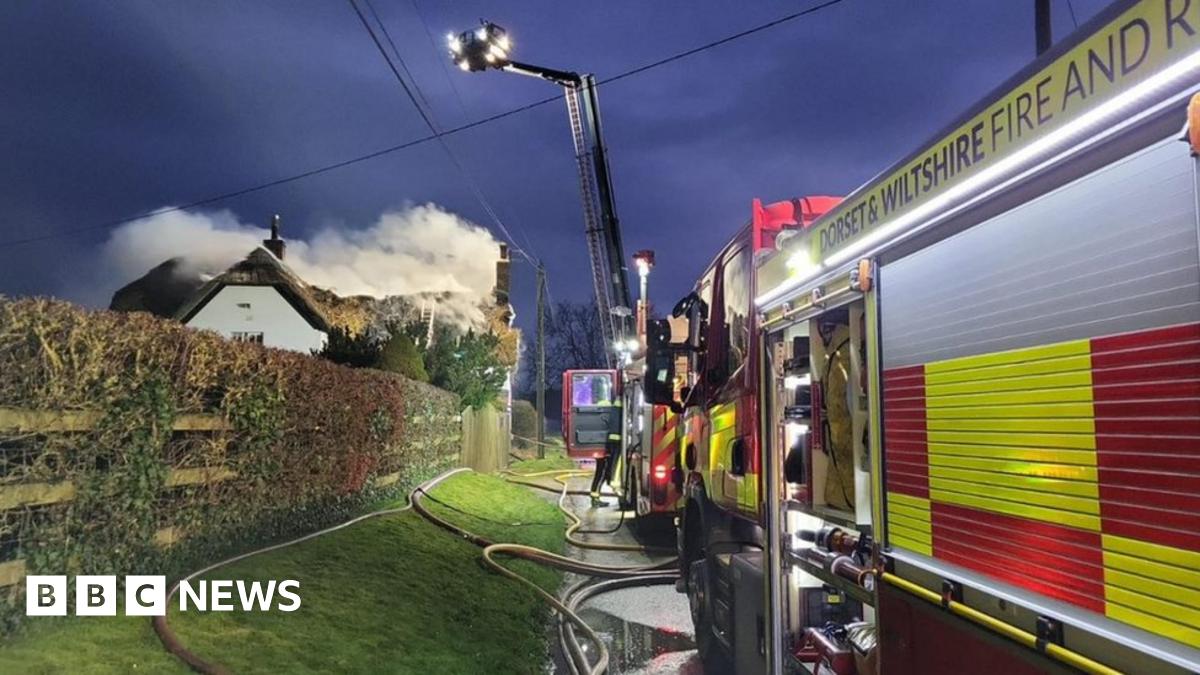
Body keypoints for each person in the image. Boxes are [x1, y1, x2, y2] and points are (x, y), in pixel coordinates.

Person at [589, 397, 622, 507]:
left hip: (605, 444)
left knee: (600, 471)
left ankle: (595, 496)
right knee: (602, 472)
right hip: (610, 445)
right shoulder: (617, 409)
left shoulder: (607, 409)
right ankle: (595, 498)